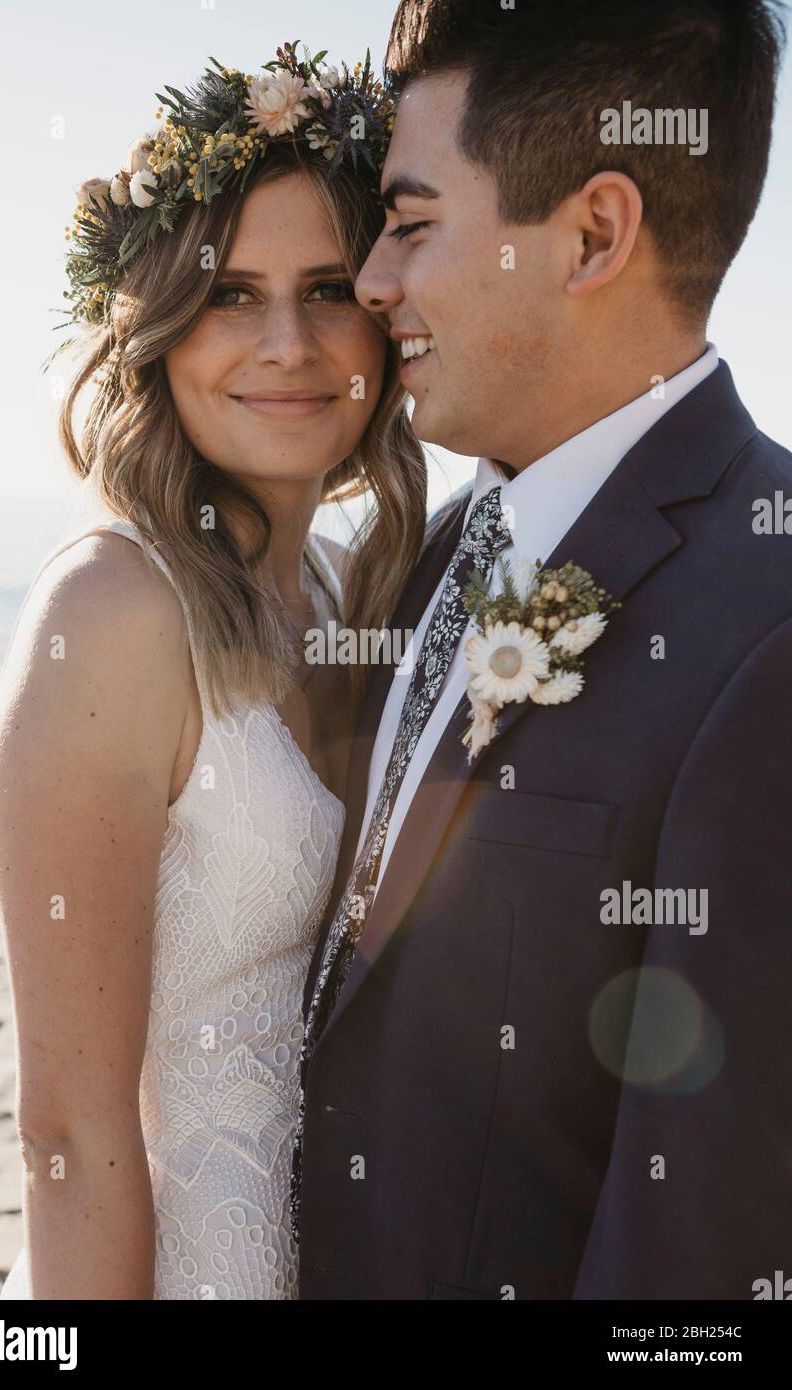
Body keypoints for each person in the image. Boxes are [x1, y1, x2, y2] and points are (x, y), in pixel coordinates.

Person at [293, 0, 792, 1299]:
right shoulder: (421, 545)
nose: (371, 282)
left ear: (589, 235)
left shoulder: (770, 622)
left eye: (408, 223)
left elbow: (693, 1250)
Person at [0, 43, 426, 1300]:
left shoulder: (347, 586)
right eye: (231, 293)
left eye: (328, 287)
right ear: (159, 332)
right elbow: (66, 1137)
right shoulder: (114, 611)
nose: (285, 343)